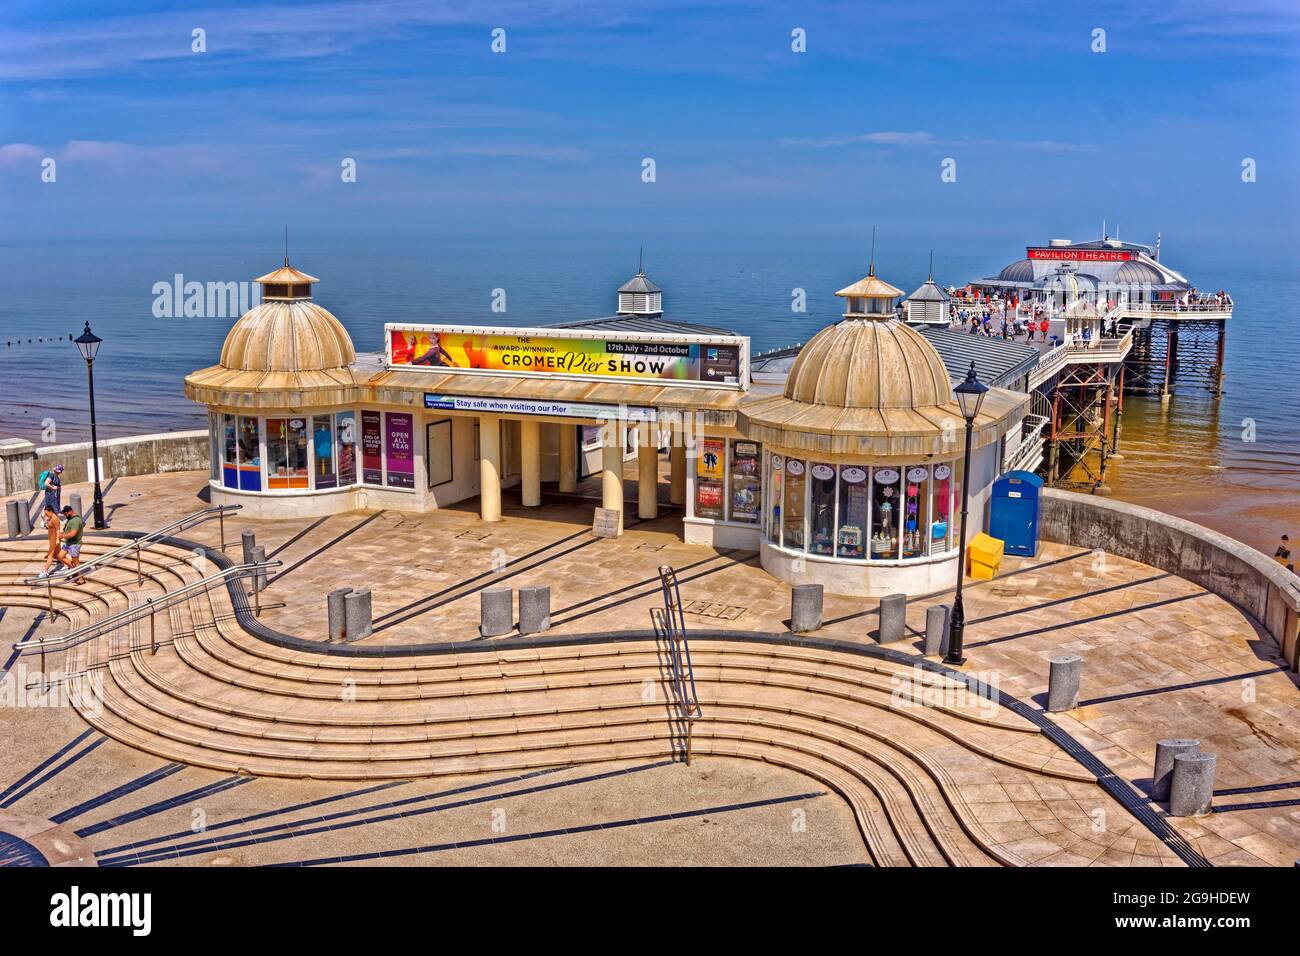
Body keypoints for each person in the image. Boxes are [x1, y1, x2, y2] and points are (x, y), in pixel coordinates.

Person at [58, 505, 86, 585]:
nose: (65, 515)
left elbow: (73, 534)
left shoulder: (75, 521)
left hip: (74, 544)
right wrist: (62, 533)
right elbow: (68, 532)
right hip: (68, 543)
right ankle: (74, 570)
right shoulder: (71, 520)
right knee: (60, 556)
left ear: (70, 511)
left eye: (66, 514)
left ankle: (81, 579)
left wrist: (62, 536)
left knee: (76, 562)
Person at [37, 506, 67, 578]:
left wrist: (57, 540)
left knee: (50, 555)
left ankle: (45, 571)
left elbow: (58, 530)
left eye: (47, 513)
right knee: (58, 554)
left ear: (51, 512)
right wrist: (44, 517)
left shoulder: (55, 518)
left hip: (54, 539)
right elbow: (49, 526)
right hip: (52, 539)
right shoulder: (50, 518)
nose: (46, 515)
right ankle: (67, 565)